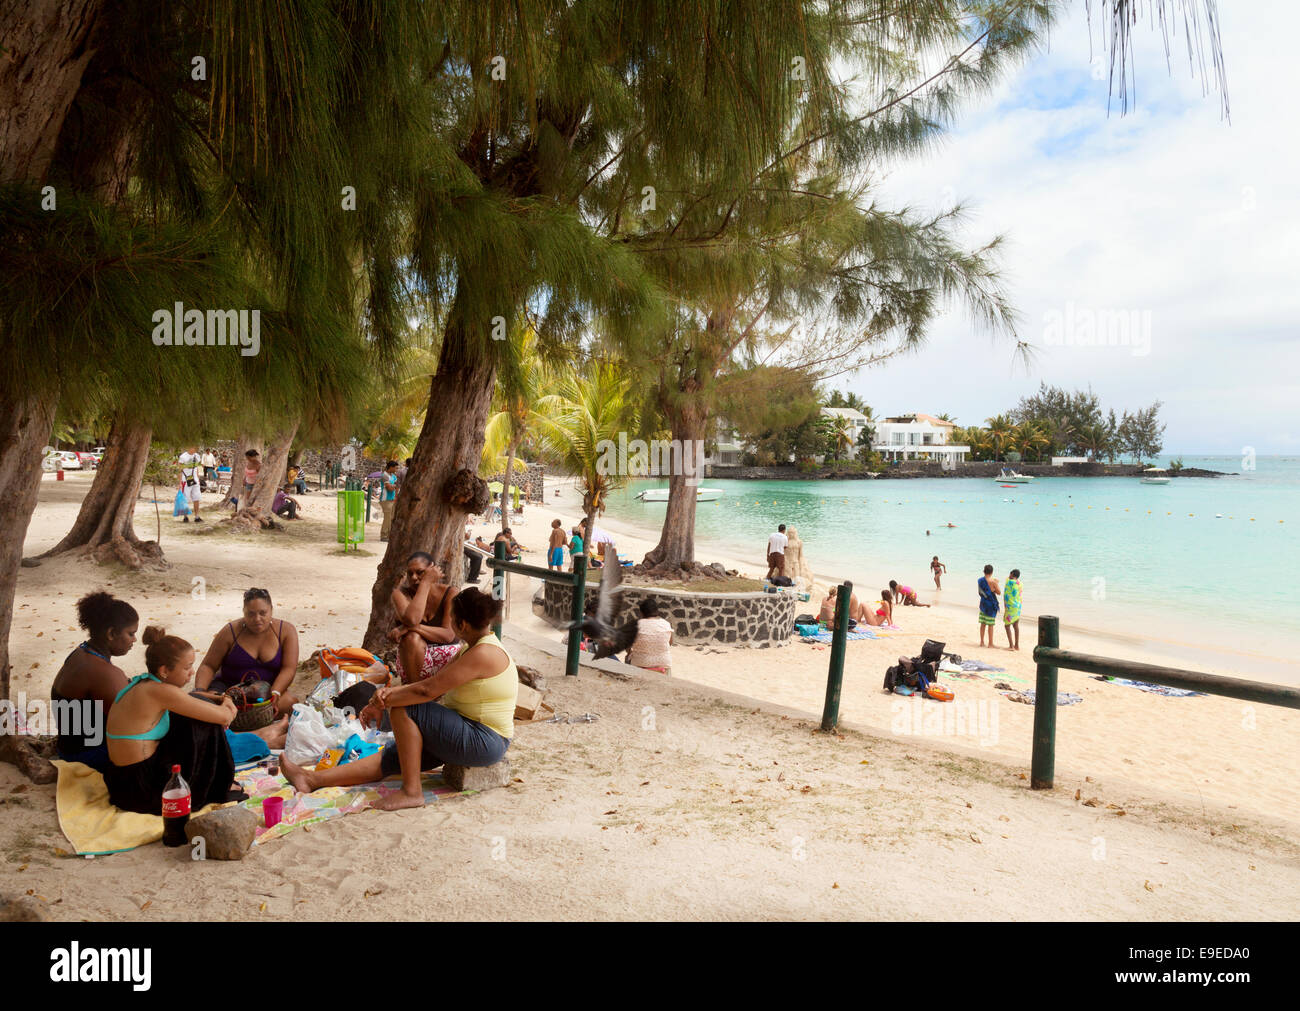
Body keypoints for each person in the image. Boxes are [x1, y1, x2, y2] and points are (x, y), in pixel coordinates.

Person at [281, 589, 516, 811]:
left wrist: (387, 699)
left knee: (406, 709)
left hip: (485, 739)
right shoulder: (471, 648)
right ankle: (312, 779)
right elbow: (434, 683)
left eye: (452, 619)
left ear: (462, 625)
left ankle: (412, 792)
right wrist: (385, 697)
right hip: (469, 730)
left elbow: (428, 691)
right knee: (395, 756)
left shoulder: (484, 653)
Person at [102, 626, 243, 814]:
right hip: (141, 790)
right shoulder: (161, 692)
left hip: (119, 782)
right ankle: (219, 784)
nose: (192, 673)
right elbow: (225, 716)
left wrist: (218, 698)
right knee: (203, 720)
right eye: (187, 667)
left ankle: (219, 780)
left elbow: (189, 698)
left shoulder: (142, 684)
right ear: (164, 670)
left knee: (196, 705)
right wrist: (226, 700)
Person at [195, 588, 301, 717]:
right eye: (251, 614)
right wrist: (200, 692)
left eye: (263, 613)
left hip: (267, 693)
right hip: (228, 693)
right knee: (214, 708)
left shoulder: (286, 631)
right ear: (243, 612)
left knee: (290, 704)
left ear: (271, 610)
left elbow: (289, 668)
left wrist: (275, 693)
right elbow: (208, 665)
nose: (257, 619)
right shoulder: (230, 631)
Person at [388, 554, 460, 685]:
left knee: (411, 633)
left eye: (420, 572)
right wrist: (425, 583)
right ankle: (414, 691)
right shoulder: (400, 594)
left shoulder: (451, 593)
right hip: (412, 662)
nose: (414, 577)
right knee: (412, 638)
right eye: (410, 574)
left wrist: (406, 628)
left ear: (432, 570)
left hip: (446, 660)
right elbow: (412, 619)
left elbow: (448, 635)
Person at [626, 599, 674, 674]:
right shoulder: (666, 624)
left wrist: (629, 653)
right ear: (657, 611)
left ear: (641, 613)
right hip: (663, 665)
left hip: (640, 664)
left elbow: (628, 646)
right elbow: (670, 643)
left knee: (627, 658)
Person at [178, 446, 204, 524]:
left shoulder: (197, 456)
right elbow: (179, 470)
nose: (196, 448)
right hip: (185, 480)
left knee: (196, 498)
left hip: (195, 480)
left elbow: (196, 469)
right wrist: (179, 482)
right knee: (185, 498)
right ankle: (185, 516)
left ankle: (197, 516)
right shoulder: (183, 457)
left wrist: (198, 479)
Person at [977, 564, 1000, 648]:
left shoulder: (980, 580)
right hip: (991, 604)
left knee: (983, 623)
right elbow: (999, 592)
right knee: (990, 624)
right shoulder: (993, 582)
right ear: (992, 572)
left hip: (983, 603)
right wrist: (996, 583)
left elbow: (980, 592)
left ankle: (982, 642)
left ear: (984, 571)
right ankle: (990, 643)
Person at [377, 460, 399, 541]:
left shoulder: (393, 476)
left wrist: (394, 486)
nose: (396, 470)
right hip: (385, 499)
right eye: (396, 468)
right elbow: (389, 488)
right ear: (391, 467)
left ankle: (389, 535)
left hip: (392, 499)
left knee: (391, 518)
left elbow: (395, 486)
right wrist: (395, 486)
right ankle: (384, 536)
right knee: (387, 518)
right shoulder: (384, 476)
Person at [1003, 569, 1023, 650]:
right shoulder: (1020, 584)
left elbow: (1005, 594)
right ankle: (1017, 645)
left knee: (1007, 626)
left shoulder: (1009, 582)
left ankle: (1011, 646)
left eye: (1010, 574)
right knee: (1016, 625)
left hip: (1010, 607)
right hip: (1018, 606)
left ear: (1011, 574)